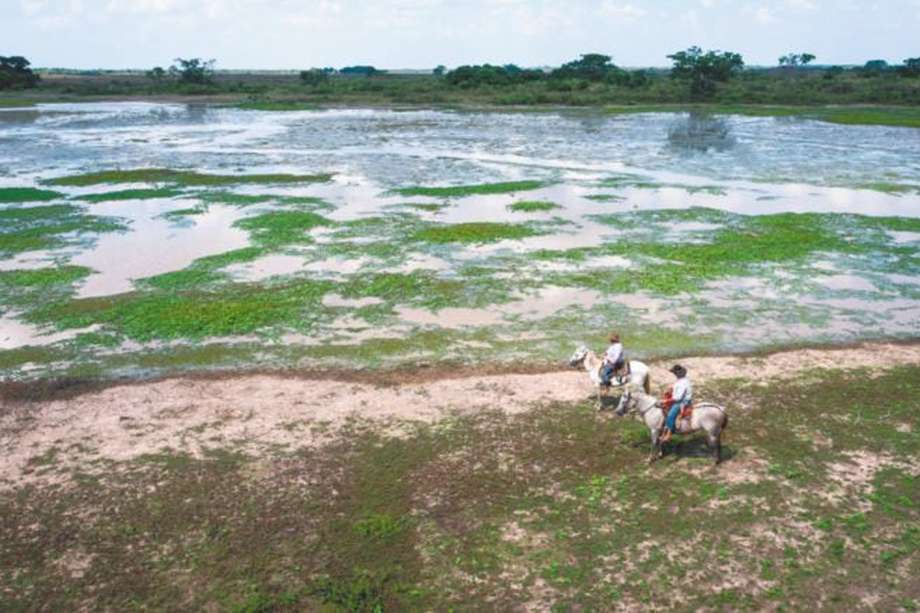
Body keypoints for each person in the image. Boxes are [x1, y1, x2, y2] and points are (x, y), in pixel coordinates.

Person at [661, 364, 692, 443]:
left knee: (670, 415)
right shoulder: (680, 380)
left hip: (682, 401)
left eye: (675, 373)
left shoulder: (683, 382)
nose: (674, 374)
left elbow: (678, 397)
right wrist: (669, 390)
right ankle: (664, 430)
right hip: (679, 399)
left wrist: (666, 401)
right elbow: (675, 389)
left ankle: (668, 435)